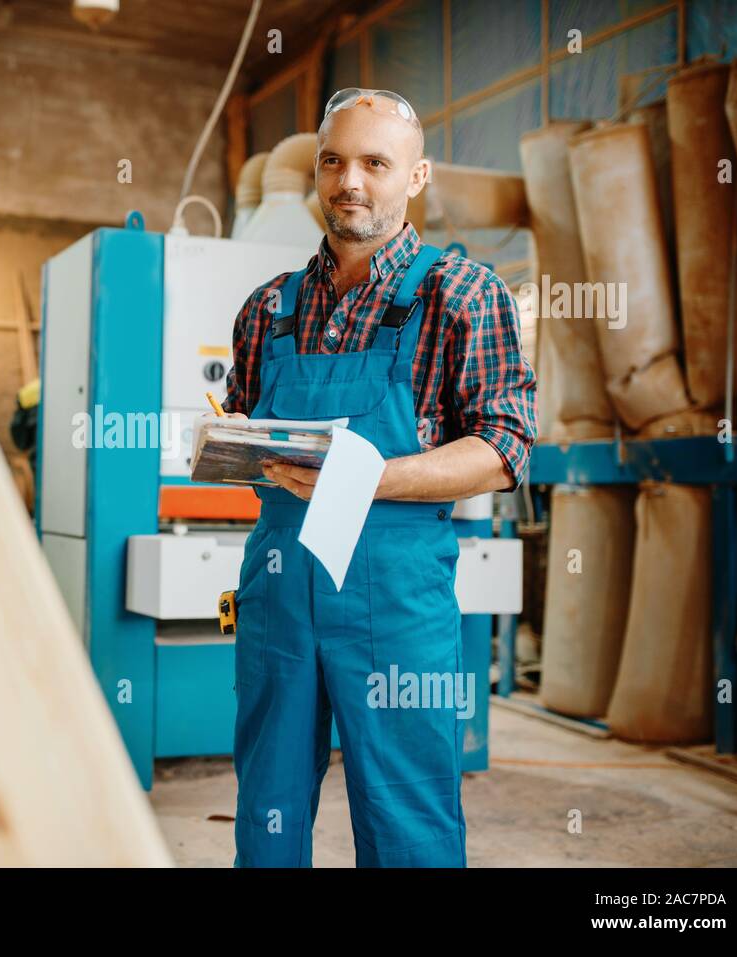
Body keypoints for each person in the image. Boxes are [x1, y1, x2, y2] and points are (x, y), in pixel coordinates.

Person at [220, 88, 536, 867]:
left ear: (417, 175)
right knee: (266, 809)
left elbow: (504, 448)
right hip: (280, 584)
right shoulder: (267, 309)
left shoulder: (461, 295)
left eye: (374, 162)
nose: (348, 180)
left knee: (408, 822)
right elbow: (240, 431)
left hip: (393, 597)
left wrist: (366, 478)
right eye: (332, 160)